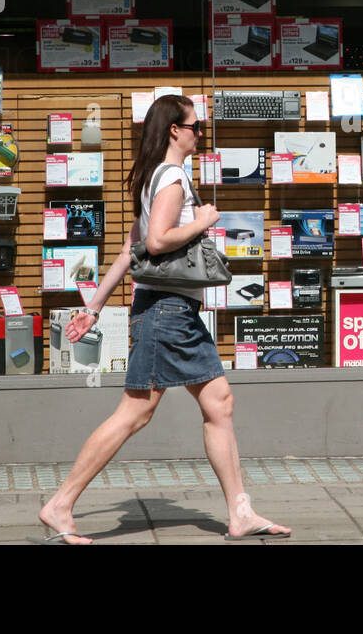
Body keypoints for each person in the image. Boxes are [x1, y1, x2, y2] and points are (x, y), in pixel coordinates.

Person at [38, 94, 290, 543]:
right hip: (166, 311)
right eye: (196, 127)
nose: (200, 134)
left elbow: (128, 251)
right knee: (135, 412)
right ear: (175, 129)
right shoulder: (171, 176)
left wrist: (92, 308)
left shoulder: (156, 177)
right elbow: (156, 243)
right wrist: (205, 220)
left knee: (219, 403)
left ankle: (240, 513)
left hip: (173, 310)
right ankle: (60, 504)